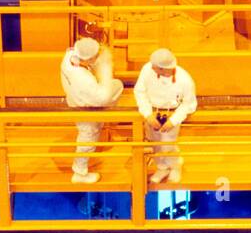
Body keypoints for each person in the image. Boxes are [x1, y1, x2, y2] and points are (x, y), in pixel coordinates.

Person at [59, 37, 123, 184]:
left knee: (116, 86)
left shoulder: (70, 54)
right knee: (88, 135)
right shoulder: (82, 79)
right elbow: (103, 98)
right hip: (84, 107)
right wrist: (106, 68)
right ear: (88, 60)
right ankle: (80, 173)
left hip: (76, 97)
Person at [133, 48, 197, 184]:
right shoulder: (147, 70)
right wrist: (148, 114)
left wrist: (173, 121)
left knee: (168, 144)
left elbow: (189, 104)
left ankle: (175, 166)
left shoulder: (185, 80)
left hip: (171, 114)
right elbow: (140, 91)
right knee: (155, 143)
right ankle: (162, 168)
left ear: (163, 68)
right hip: (152, 113)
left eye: (155, 67)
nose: (152, 68)